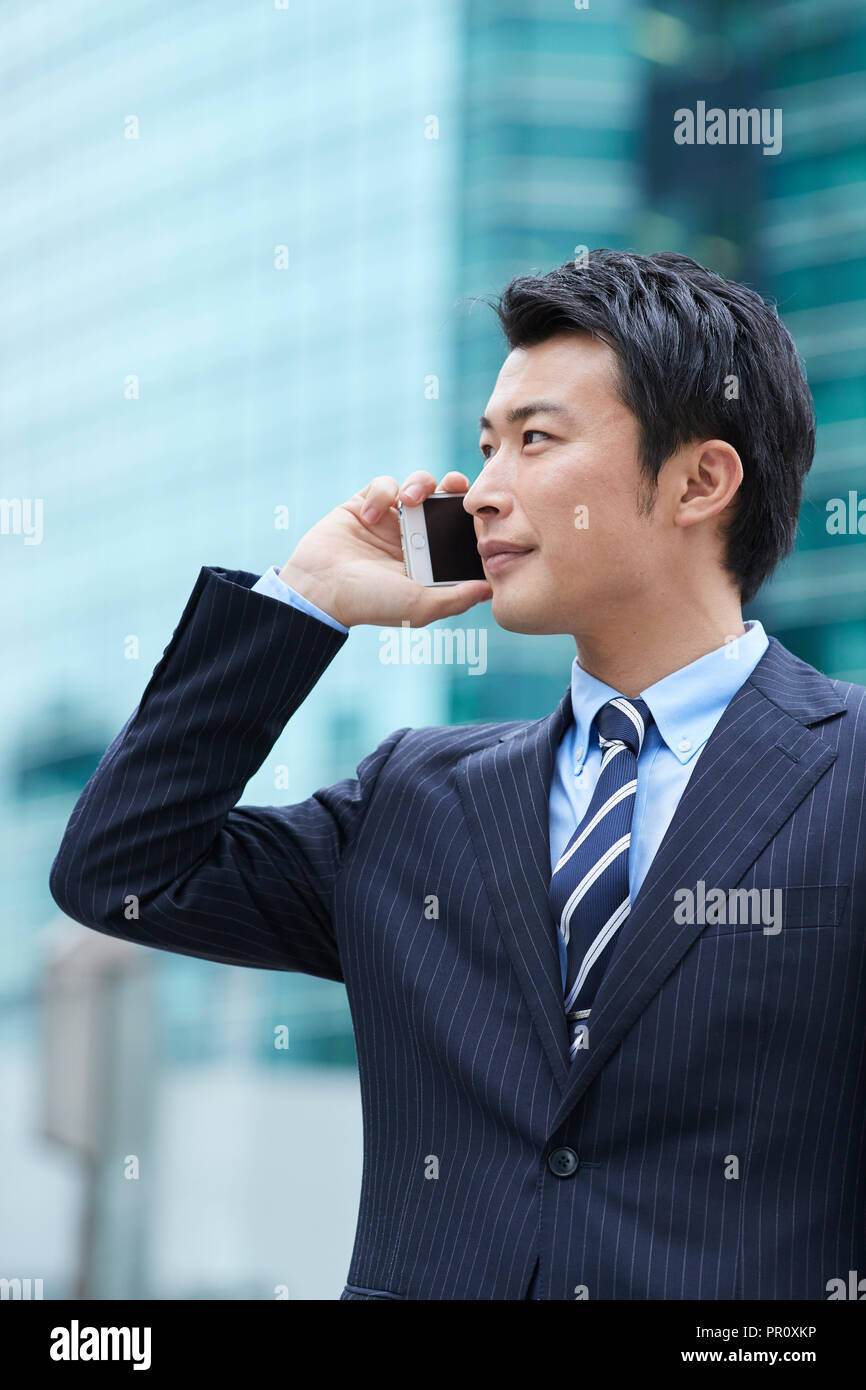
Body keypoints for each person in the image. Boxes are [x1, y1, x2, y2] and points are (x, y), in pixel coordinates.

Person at [50, 250, 866, 1301]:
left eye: (534, 441)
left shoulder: (843, 772)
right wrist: (306, 601)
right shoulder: (415, 796)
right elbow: (122, 869)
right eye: (484, 449)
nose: (479, 494)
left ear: (698, 480)